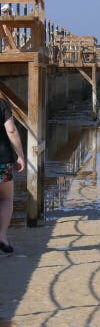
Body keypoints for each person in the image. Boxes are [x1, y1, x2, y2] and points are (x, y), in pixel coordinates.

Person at [0, 94, 25, 254]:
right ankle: (2, 236)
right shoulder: (1, 103)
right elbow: (11, 130)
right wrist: (20, 155)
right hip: (2, 161)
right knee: (6, 199)